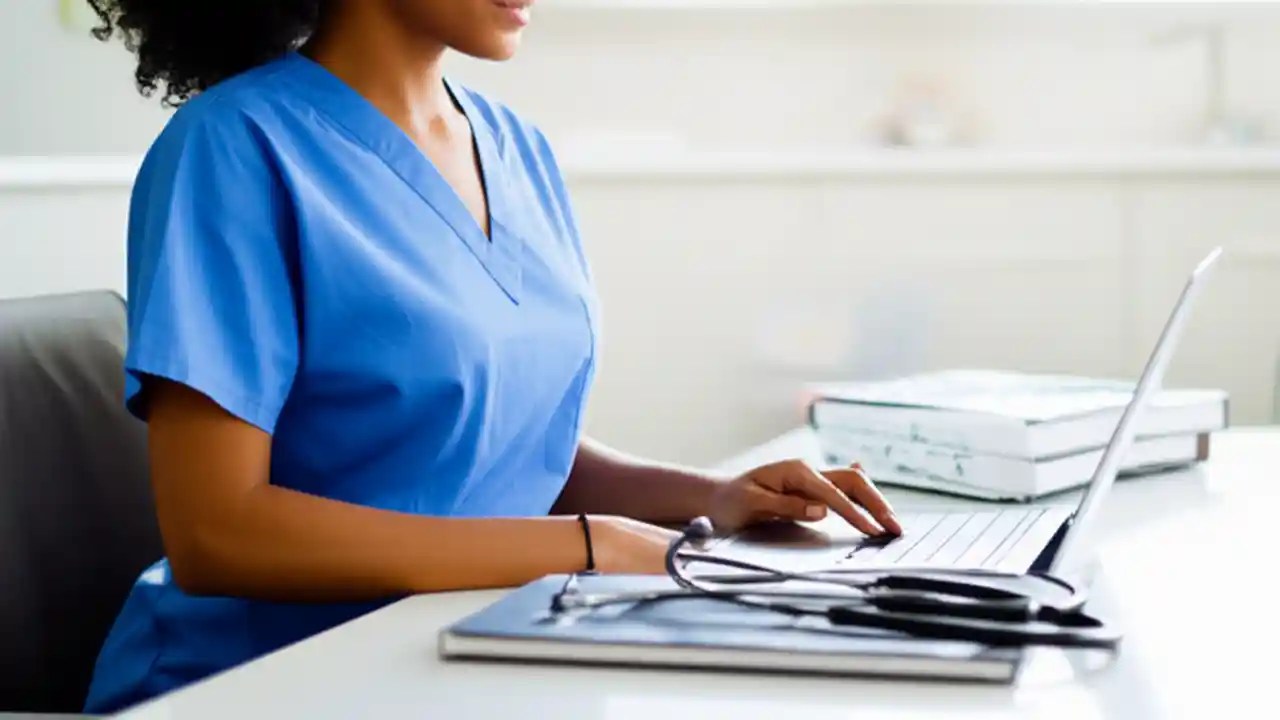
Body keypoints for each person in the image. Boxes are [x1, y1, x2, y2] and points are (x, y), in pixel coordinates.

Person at [82, 0, 902, 712]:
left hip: (465, 650)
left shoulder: (516, 148)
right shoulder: (232, 148)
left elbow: (498, 451)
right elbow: (218, 533)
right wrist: (592, 546)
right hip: (255, 682)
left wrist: (714, 498)